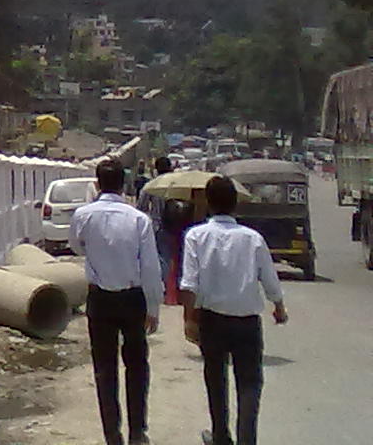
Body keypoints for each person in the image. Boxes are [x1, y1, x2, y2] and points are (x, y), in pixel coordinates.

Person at [180, 175, 287, 445]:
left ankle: (220, 436)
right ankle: (247, 439)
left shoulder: (196, 236)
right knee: (249, 383)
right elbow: (269, 278)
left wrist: (188, 320)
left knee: (215, 380)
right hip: (247, 322)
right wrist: (278, 306)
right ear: (235, 204)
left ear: (208, 204)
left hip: (212, 320)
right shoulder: (253, 239)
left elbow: (189, 282)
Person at [69, 159, 160, 445]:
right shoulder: (138, 219)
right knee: (137, 366)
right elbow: (150, 267)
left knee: (104, 368)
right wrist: (153, 307)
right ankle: (137, 431)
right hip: (133, 299)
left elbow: (75, 245)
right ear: (124, 185)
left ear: (97, 184)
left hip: (100, 299)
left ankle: (112, 434)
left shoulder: (83, 215)